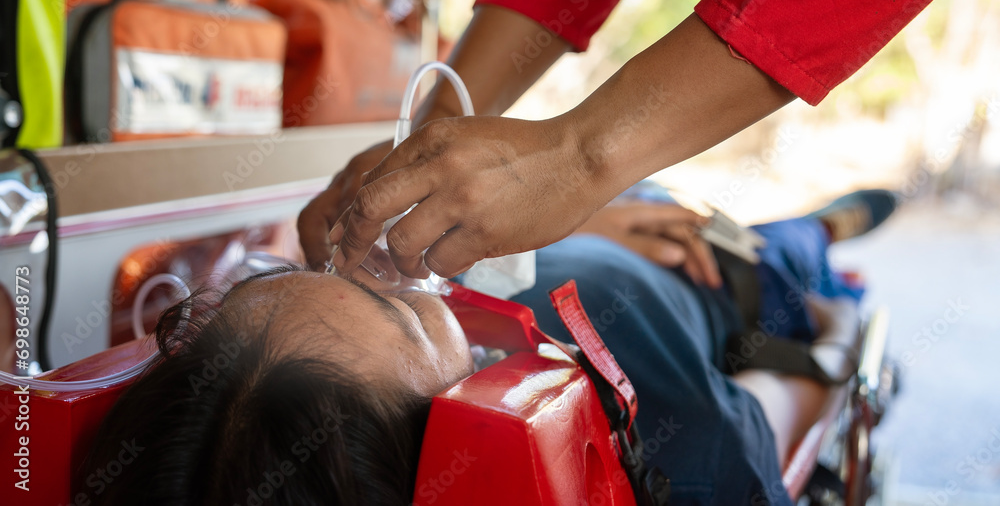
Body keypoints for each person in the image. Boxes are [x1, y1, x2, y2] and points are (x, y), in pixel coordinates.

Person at [297, 0, 998, 281]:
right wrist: (438, 130)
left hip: (638, 212)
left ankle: (810, 235)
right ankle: (808, 236)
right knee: (732, 251)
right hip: (641, 217)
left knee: (741, 259)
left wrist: (583, 156)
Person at [83, 187, 895, 505]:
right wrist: (839, 332)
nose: (397, 269)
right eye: (398, 308)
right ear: (462, 435)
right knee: (786, 248)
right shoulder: (674, 436)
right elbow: (795, 397)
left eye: (315, 273)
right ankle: (826, 228)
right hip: (716, 275)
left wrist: (577, 208)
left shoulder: (323, 366)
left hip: (606, 217)